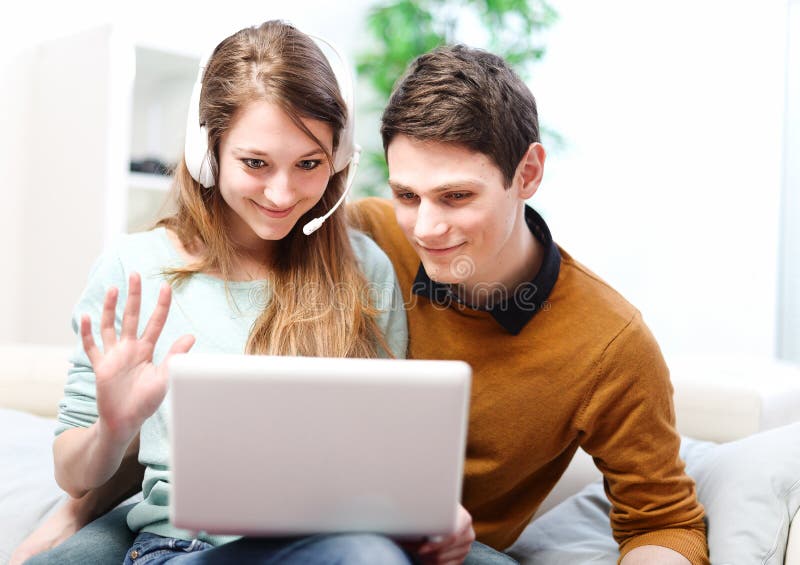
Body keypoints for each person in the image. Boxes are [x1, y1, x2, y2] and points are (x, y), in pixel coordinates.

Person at [10, 19, 487, 565]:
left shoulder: (367, 269)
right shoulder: (134, 268)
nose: (282, 194)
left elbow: (385, 463)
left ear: (338, 161)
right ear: (206, 151)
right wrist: (114, 429)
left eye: (309, 165)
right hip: (179, 547)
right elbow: (74, 479)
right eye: (255, 163)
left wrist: (432, 517)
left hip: (338, 546)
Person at [348, 44, 709, 564]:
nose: (425, 229)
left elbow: (665, 522)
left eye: (456, 197)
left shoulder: (610, 343)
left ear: (529, 174)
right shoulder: (365, 236)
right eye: (407, 195)